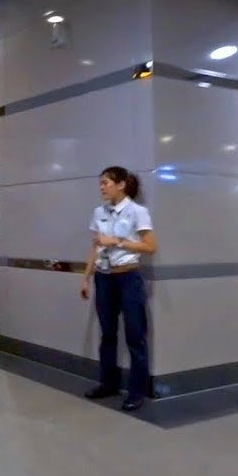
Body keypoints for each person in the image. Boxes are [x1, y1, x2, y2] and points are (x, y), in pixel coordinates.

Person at [80, 165, 157, 412]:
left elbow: (150, 246)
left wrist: (117, 241)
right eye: (100, 183)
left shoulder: (137, 212)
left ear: (121, 184)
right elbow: (95, 247)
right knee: (108, 335)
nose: (101, 187)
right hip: (104, 278)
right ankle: (108, 384)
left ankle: (137, 391)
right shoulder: (98, 212)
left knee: (135, 336)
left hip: (128, 278)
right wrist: (86, 278)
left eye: (106, 182)